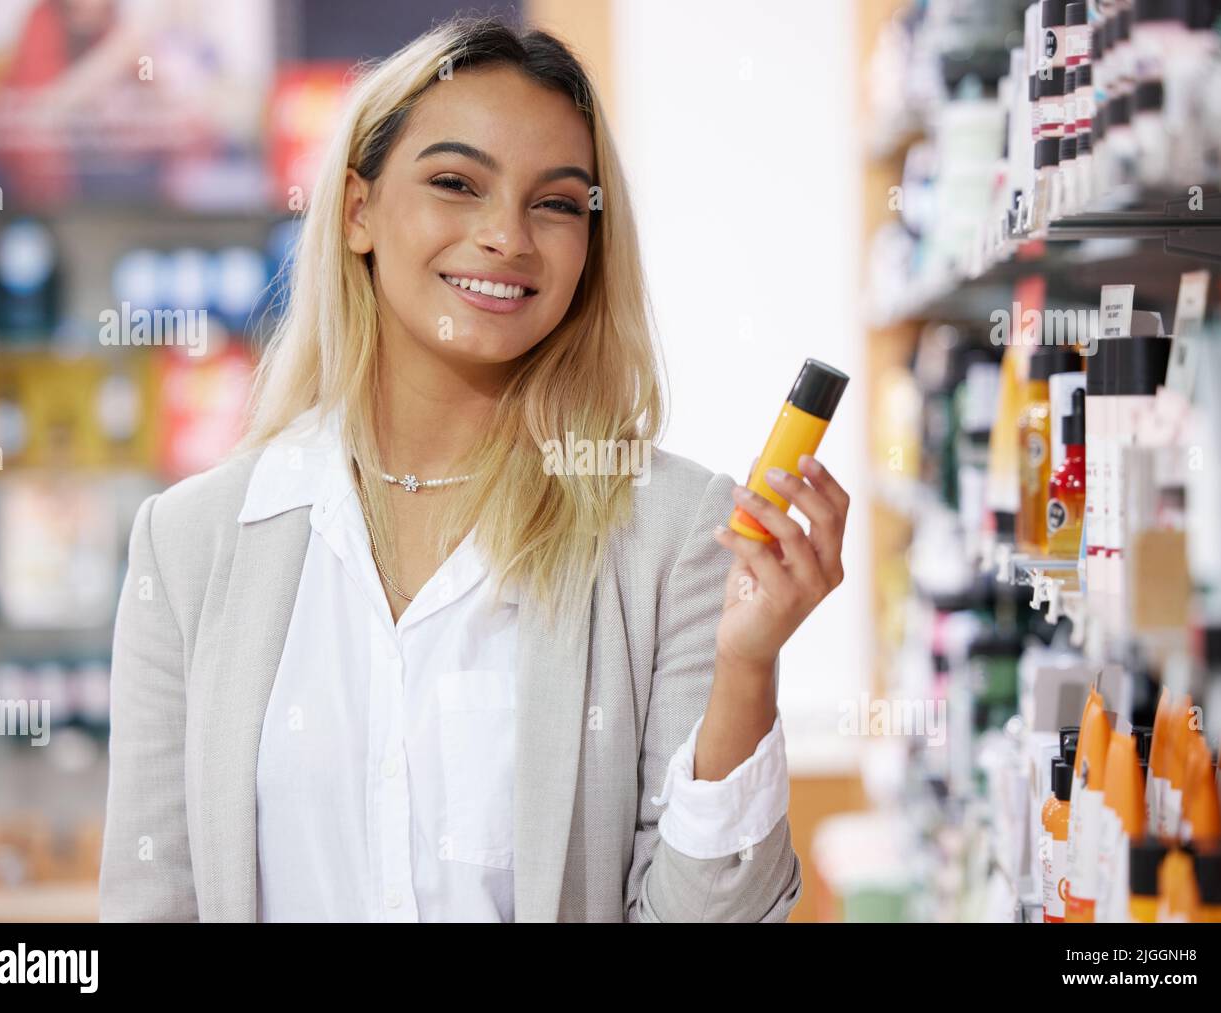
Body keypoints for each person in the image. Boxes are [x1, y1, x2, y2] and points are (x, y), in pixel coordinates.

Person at [98, 13, 849, 923]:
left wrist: (747, 667)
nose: (508, 237)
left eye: (558, 202)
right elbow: (153, 903)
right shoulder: (189, 546)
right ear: (358, 210)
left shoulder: (674, 532)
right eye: (457, 183)